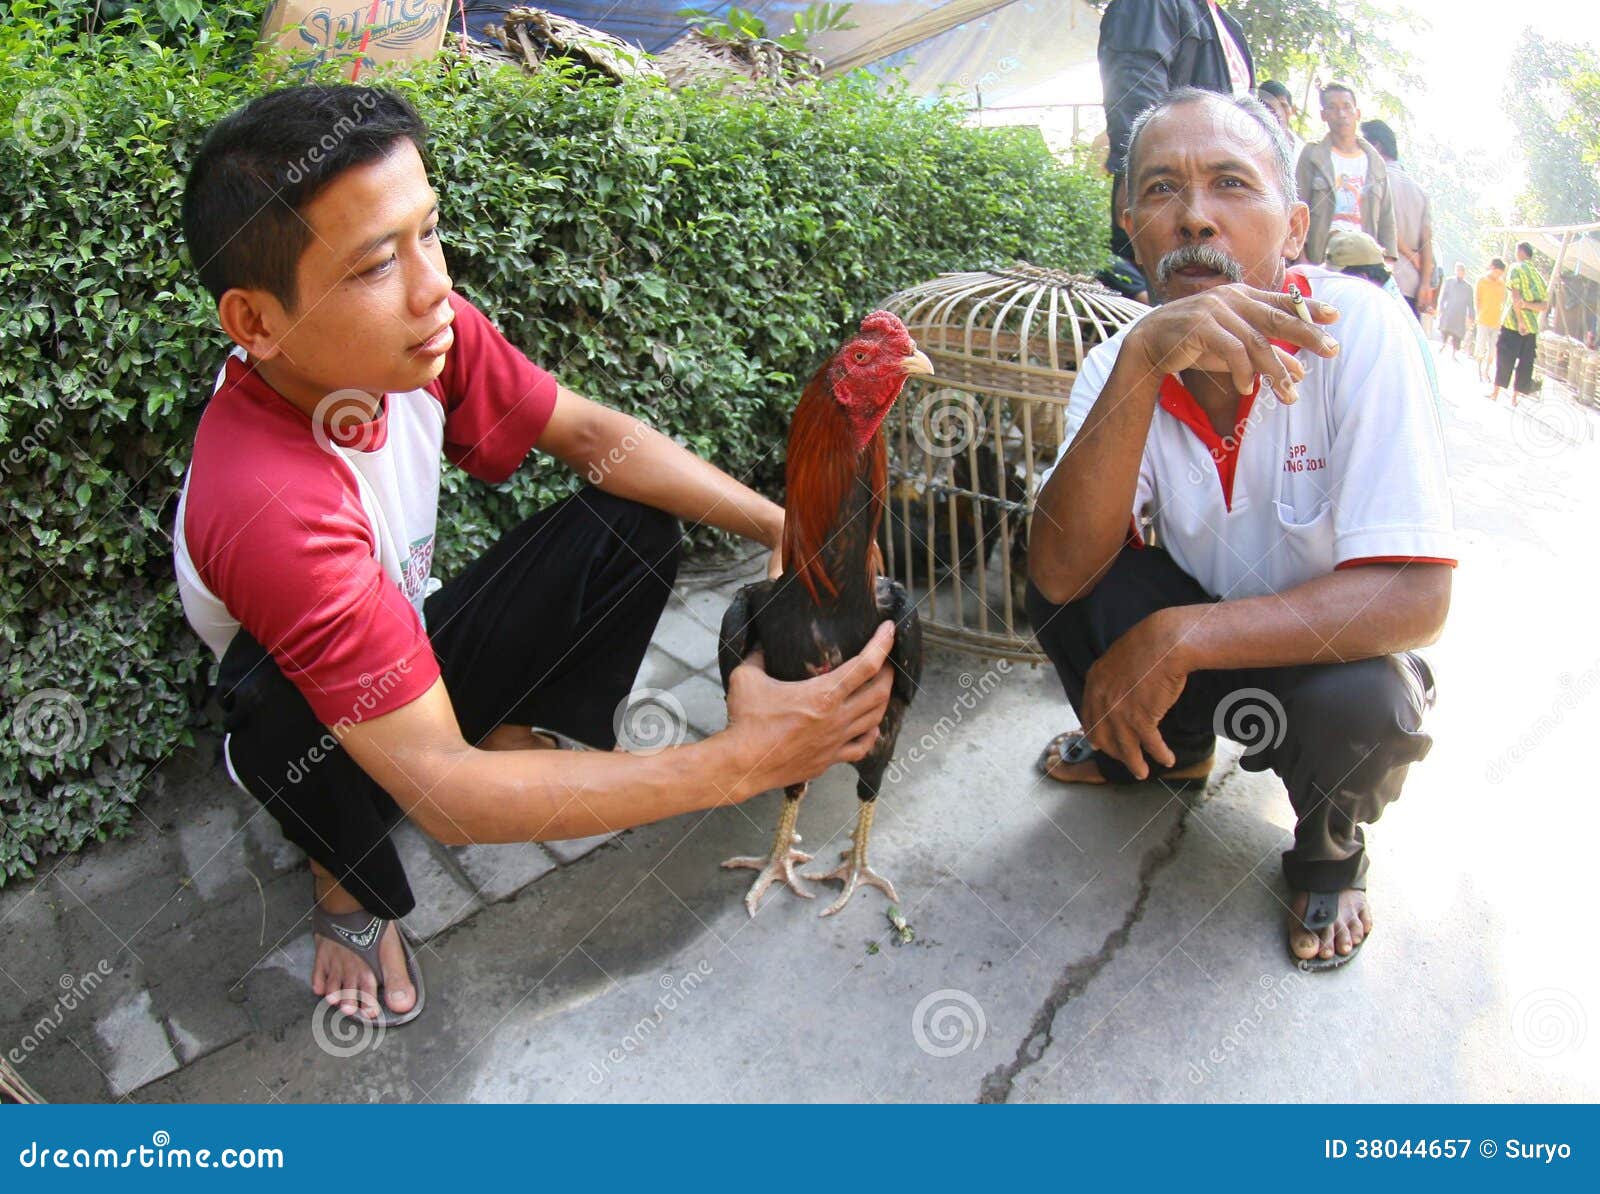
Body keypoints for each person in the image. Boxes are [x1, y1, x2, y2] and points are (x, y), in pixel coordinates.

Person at [175, 86, 898, 1026]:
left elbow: (594, 436)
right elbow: (450, 800)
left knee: (633, 522)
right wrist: (746, 760)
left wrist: (786, 530)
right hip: (307, 719)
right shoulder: (268, 503)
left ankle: (512, 729)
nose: (433, 285)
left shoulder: (424, 335)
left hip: (403, 635)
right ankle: (344, 883)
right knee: (277, 708)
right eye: (374, 264)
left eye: (429, 233)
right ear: (256, 322)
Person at [1028, 88, 1454, 970]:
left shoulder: (1360, 330)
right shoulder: (1116, 363)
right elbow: (1060, 572)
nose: (1195, 217)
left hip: (1322, 653)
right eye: (1160, 190)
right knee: (1063, 564)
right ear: (1130, 229)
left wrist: (1177, 637)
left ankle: (1329, 850)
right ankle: (1171, 751)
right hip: (1207, 632)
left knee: (1366, 705)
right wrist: (1144, 362)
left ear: (1294, 229)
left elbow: (1416, 595)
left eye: (1230, 183)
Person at [1098, 0, 1254, 266]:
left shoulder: (1227, 25)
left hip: (1220, 205)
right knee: (1171, 287)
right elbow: (1135, 96)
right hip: (1171, 201)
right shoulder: (1152, 5)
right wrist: (1138, 180)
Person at [1296, 84, 1396, 266]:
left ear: (1357, 113)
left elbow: (1387, 219)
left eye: (1347, 106)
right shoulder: (1312, 155)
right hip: (1321, 259)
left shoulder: (1374, 161)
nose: (1341, 114)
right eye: (1332, 108)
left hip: (1364, 261)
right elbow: (1297, 208)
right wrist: (1302, 260)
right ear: (1323, 115)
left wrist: (1387, 265)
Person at [1359, 119, 1434, 317]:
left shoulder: (1374, 184)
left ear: (1376, 146)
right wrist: (1425, 283)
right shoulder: (1420, 192)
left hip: (1378, 282)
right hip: (1412, 287)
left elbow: (1378, 231)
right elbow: (1427, 244)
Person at [1490, 241, 1550, 405]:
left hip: (1513, 323)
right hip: (1531, 328)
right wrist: (1528, 306)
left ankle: (1495, 393)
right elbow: (1544, 306)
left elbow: (1516, 299)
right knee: (1525, 363)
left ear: (1521, 252)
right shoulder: (1539, 277)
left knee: (1504, 358)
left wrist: (1521, 320)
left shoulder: (1516, 268)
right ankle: (1514, 398)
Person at [1474, 258, 1508, 383]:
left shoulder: (1501, 284)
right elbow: (1477, 300)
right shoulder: (1482, 281)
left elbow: (1503, 301)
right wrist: (1478, 314)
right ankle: (1478, 369)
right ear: (1492, 268)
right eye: (1497, 272)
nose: (1498, 276)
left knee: (1493, 349)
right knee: (1480, 347)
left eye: (1501, 274)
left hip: (1496, 322)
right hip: (1483, 320)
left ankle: (1487, 371)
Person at [1436, 262, 1475, 359]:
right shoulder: (1449, 282)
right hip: (1449, 310)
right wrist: (1441, 307)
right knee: (1445, 329)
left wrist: (1471, 316)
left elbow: (1470, 303)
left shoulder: (1468, 287)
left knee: (1457, 335)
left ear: (1464, 273)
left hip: (1460, 314)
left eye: (1461, 271)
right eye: (1458, 270)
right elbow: (1443, 296)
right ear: (1455, 271)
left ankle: (1454, 353)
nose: (1460, 272)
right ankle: (1443, 344)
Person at [1257, 79, 1304, 157]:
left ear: (1292, 110)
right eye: (1268, 107)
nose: (1277, 113)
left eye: (1282, 106)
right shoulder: (1251, 145)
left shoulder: (1302, 150)